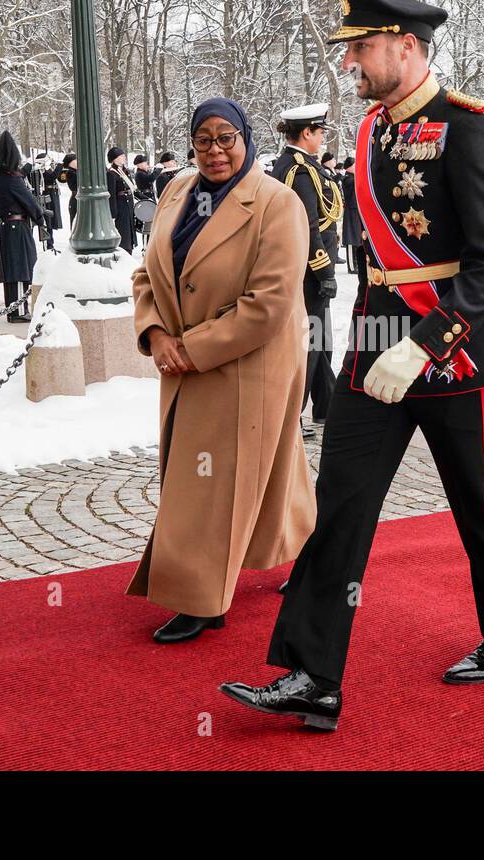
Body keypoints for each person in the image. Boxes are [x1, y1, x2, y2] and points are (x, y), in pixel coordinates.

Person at [220, 0, 484, 731]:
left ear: (408, 47)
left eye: (362, 48)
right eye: (351, 49)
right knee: (342, 504)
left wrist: (424, 346)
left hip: (456, 350)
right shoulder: (370, 133)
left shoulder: (469, 130)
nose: (351, 62)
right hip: (373, 344)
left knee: (479, 504)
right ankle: (312, 673)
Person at [127, 96, 316, 644]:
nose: (214, 151)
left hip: (245, 364)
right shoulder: (176, 192)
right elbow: (148, 275)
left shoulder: (277, 203)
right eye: (203, 139)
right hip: (182, 357)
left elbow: (270, 303)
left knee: (209, 480)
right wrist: (157, 334)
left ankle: (201, 596)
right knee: (277, 462)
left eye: (225, 138)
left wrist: (192, 348)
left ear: (245, 138)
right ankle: (308, 545)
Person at [271, 103, 341, 436]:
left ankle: (327, 407)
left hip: (313, 270)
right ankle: (291, 416)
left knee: (321, 340)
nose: (323, 137)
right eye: (320, 131)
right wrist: (325, 271)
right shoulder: (298, 169)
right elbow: (308, 226)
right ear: (307, 133)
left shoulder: (307, 166)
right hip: (309, 270)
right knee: (308, 343)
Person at [0, 131, 40, 323]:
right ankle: (17, 311)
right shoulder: (10, 178)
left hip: (7, 227)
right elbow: (29, 201)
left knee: (14, 268)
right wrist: (40, 217)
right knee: (19, 268)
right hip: (16, 226)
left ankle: (15, 308)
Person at [106, 145, 138, 254]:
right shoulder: (111, 173)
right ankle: (125, 251)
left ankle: (129, 250)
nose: (124, 157)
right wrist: (113, 213)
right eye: (121, 156)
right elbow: (112, 195)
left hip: (128, 205)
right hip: (121, 207)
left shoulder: (124, 171)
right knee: (124, 233)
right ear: (115, 159)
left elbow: (132, 188)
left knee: (129, 231)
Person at [133, 154, 159, 249]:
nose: (146, 164)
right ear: (139, 164)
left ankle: (149, 245)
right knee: (147, 226)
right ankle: (145, 247)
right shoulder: (139, 174)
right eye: (144, 163)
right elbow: (151, 178)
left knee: (151, 225)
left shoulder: (144, 172)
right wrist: (158, 170)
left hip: (149, 199)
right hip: (145, 200)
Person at [339, 156, 360, 273]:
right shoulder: (348, 178)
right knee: (351, 239)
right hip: (351, 211)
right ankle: (352, 266)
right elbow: (353, 183)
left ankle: (356, 264)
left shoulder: (352, 177)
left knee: (356, 238)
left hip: (355, 210)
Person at [57, 153, 79, 225]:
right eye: (75, 160)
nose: (77, 162)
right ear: (70, 163)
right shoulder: (70, 172)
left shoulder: (74, 171)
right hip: (76, 199)